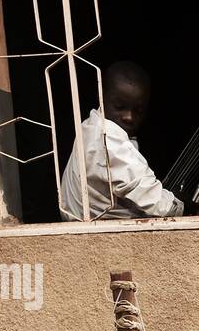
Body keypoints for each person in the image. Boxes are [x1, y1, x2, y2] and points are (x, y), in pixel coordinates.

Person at [59, 61, 185, 221]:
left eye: (138, 111)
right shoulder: (107, 139)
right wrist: (180, 206)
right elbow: (153, 198)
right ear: (101, 97)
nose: (129, 117)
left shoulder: (89, 125)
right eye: (119, 106)